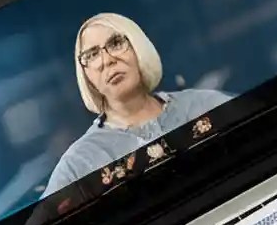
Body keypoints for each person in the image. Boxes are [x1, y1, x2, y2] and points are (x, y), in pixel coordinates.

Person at [44, 13, 232, 194]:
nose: (107, 60)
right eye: (92, 55)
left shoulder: (203, 104)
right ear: (86, 74)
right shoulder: (78, 163)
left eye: (116, 43)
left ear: (138, 47)